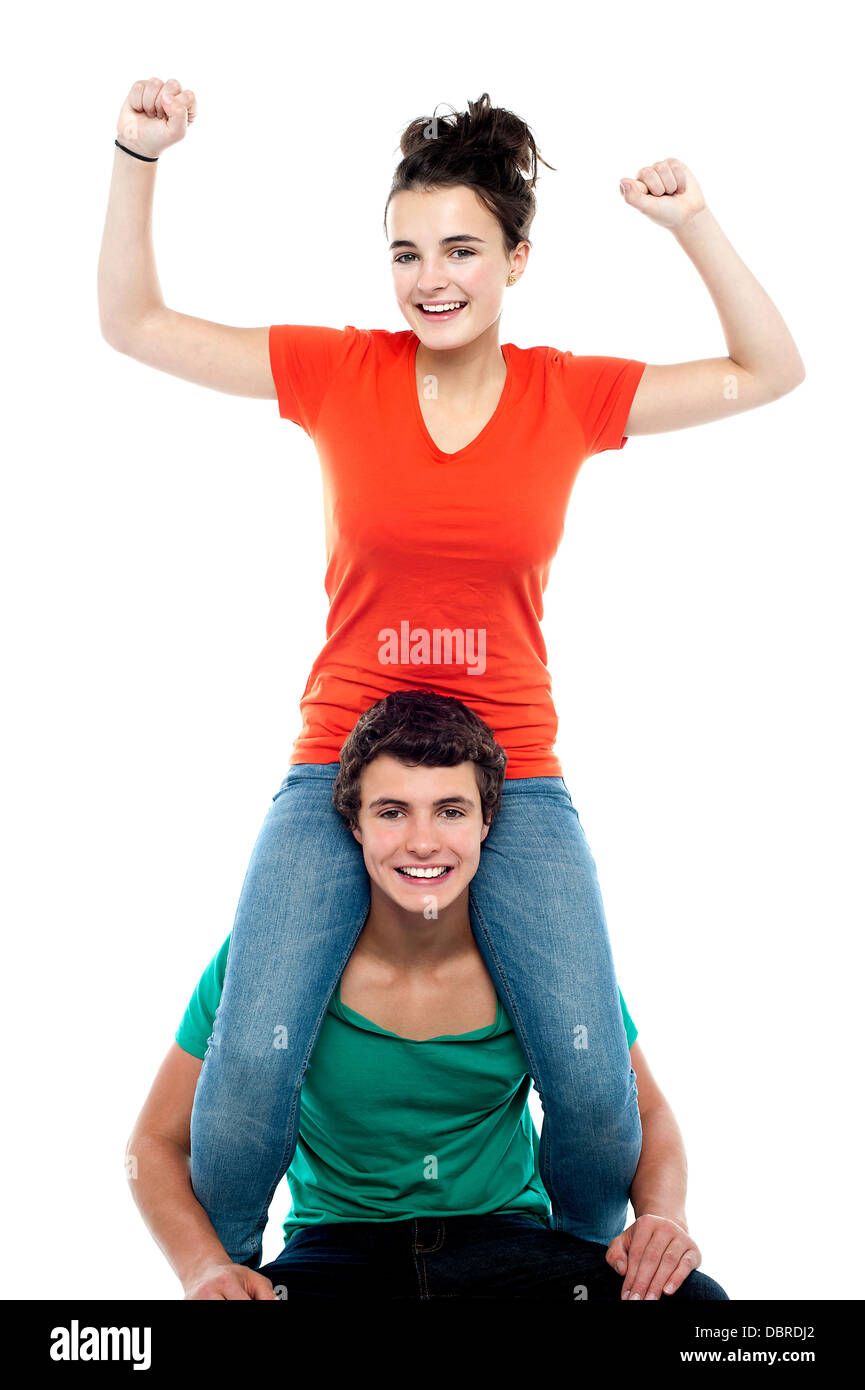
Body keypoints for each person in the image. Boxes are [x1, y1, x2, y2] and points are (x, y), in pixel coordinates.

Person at [100, 83, 805, 1269]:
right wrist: (137, 154)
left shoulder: (568, 394)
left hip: (514, 772)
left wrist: (691, 223)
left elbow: (771, 370)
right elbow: (134, 323)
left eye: (464, 249)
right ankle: (231, 1283)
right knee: (255, 1059)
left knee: (589, 1079)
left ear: (517, 258)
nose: (432, 277)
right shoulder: (337, 372)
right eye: (407, 252)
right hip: (344, 761)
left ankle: (570, 1273)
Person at [127, 690, 729, 1301]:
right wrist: (204, 1267)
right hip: (336, 1254)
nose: (421, 842)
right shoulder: (270, 961)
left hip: (513, 1250)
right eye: (392, 812)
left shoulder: (544, 961)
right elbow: (155, 1141)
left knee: (696, 1304)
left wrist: (663, 1217)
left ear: (487, 822)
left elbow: (645, 1110)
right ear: (353, 824)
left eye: (450, 811)